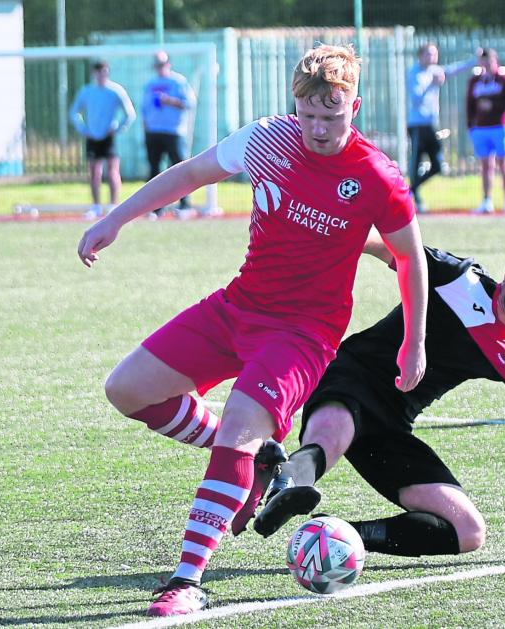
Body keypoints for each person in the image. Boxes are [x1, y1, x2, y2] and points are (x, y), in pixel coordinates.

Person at [76, 44, 428, 617]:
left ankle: (187, 579)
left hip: (304, 333)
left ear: (355, 108)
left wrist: (414, 342)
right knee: (127, 389)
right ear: (295, 107)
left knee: (240, 421)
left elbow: (411, 260)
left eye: (331, 117)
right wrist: (116, 218)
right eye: (308, 115)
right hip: (238, 305)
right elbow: (192, 173)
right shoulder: (268, 139)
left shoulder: (377, 176)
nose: (317, 128)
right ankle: (254, 463)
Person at [252, 230, 505, 557]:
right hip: (352, 379)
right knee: (333, 435)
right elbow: (381, 245)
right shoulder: (457, 278)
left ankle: (335, 535)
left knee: (467, 531)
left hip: (391, 428)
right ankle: (286, 481)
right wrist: (321, 243)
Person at [406, 42, 475, 214]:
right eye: (429, 54)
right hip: (417, 126)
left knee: (438, 165)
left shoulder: (435, 70)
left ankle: (408, 192)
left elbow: (453, 70)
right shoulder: (414, 73)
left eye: (435, 54)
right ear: (420, 55)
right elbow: (416, 99)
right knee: (416, 165)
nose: (433, 58)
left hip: (430, 126)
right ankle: (415, 200)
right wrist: (432, 84)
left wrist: (474, 61)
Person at [70, 60, 136, 220]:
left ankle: (114, 205)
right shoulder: (86, 91)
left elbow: (130, 114)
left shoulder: (115, 91)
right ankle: (96, 206)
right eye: (99, 73)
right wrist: (84, 129)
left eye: (105, 72)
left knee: (113, 171)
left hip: (108, 137)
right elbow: (73, 112)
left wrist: (117, 127)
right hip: (93, 137)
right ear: (94, 74)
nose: (102, 76)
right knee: (94, 172)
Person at [466, 48, 505, 216]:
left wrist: (494, 106)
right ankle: (486, 201)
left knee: (504, 164)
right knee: (485, 166)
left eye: (489, 61)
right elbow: (469, 104)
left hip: (499, 127)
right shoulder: (475, 81)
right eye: (483, 62)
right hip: (481, 129)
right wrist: (471, 126)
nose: (486, 65)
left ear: (495, 61)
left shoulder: (504, 79)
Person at [142, 51, 197, 217]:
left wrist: (170, 101)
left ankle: (185, 205)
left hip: (174, 132)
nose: (160, 67)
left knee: (180, 168)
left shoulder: (179, 82)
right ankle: (156, 208)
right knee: (154, 170)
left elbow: (190, 103)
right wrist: (146, 129)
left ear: (169, 64)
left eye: (162, 64)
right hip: (153, 132)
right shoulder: (149, 84)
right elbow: (144, 109)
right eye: (157, 64)